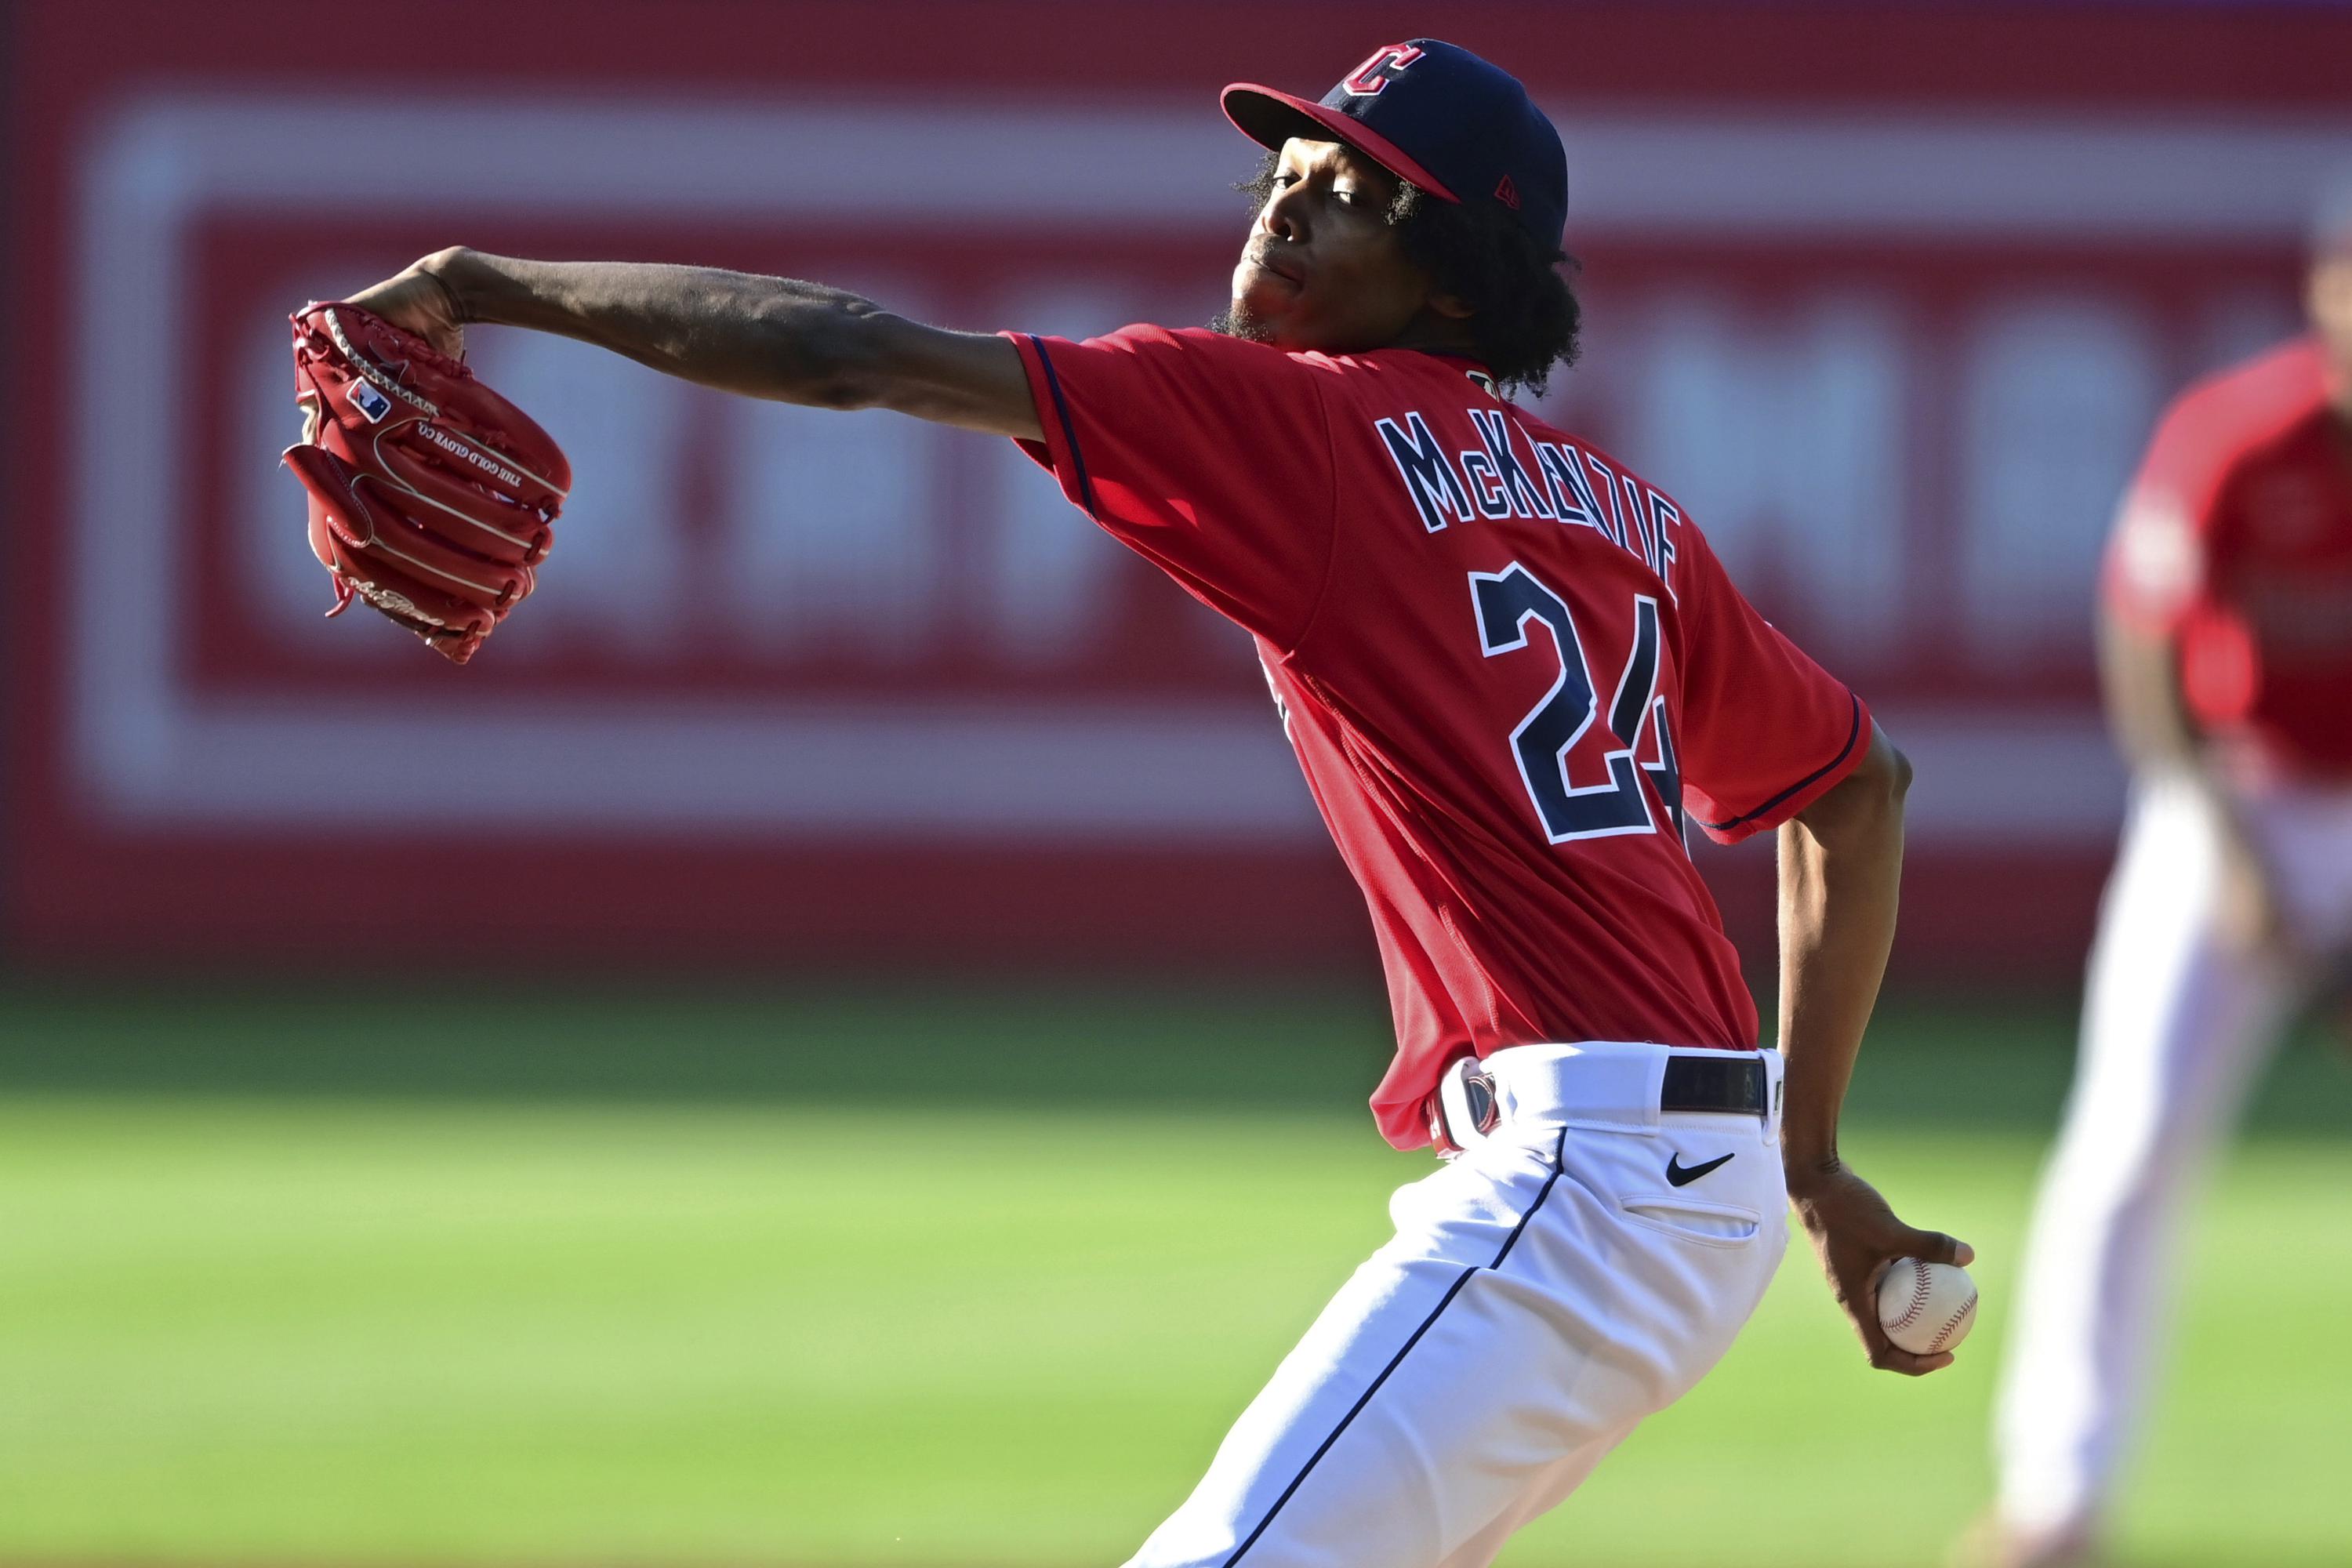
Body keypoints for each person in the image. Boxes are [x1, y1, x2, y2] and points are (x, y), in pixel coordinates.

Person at [346, 40, 1965, 1568]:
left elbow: (853, 355)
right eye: (1288, 172)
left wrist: (488, 286)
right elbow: (1857, 787)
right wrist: (1809, 1162)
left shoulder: (1309, 425)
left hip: (1588, 1184)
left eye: (1353, 192)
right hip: (1681, 1188)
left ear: (1457, 276)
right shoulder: (1625, 516)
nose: (1287, 204)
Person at [1976, 191, 2352, 1568]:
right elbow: (2146, 644)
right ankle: (2059, 1497)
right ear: (2329, 288)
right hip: (2233, 798)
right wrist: (2232, 851)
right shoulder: (2242, 432)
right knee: (2130, 1144)